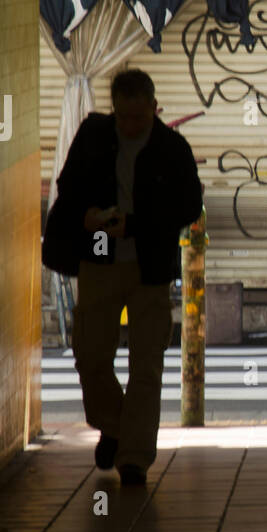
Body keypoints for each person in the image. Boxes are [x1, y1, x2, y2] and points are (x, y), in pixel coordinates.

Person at [53, 69, 204, 485]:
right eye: (124, 116)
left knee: (146, 364)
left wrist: (135, 224)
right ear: (114, 109)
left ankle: (134, 457)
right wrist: (86, 215)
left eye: (140, 117)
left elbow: (189, 206)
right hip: (99, 256)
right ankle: (116, 426)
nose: (132, 125)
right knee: (89, 353)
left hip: (149, 265)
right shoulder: (94, 135)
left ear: (154, 109)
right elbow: (69, 187)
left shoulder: (171, 148)